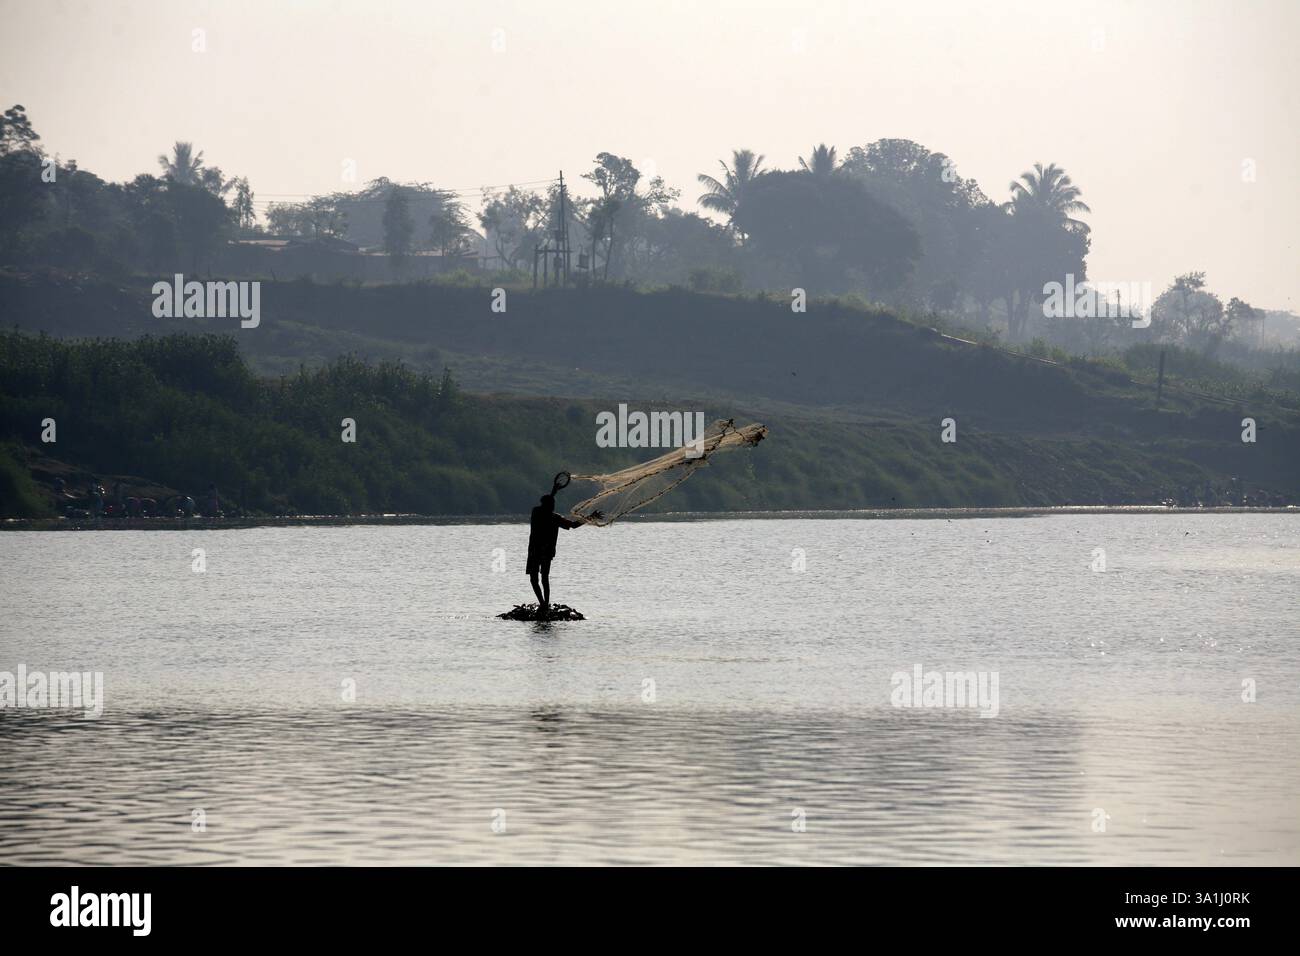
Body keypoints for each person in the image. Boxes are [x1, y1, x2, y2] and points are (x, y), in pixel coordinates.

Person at [526, 494, 591, 610]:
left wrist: (590, 517)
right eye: (551, 504)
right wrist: (590, 517)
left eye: (553, 504)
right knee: (537, 578)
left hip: (540, 551)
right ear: (547, 505)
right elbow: (573, 525)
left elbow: (573, 525)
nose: (553, 506)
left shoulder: (540, 513)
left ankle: (544, 603)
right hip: (538, 551)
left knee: (541, 578)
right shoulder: (547, 515)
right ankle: (544, 603)